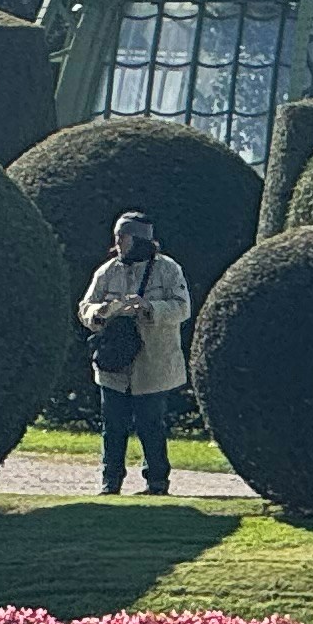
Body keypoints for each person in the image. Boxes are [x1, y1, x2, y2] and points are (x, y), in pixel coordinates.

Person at [78, 208, 194, 497]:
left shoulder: (168, 269)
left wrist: (149, 308)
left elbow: (182, 307)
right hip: (113, 364)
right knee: (112, 426)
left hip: (152, 362)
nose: (118, 242)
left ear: (139, 239)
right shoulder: (107, 271)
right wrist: (100, 312)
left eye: (123, 236)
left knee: (150, 424)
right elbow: (84, 307)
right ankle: (110, 483)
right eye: (117, 236)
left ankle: (156, 482)